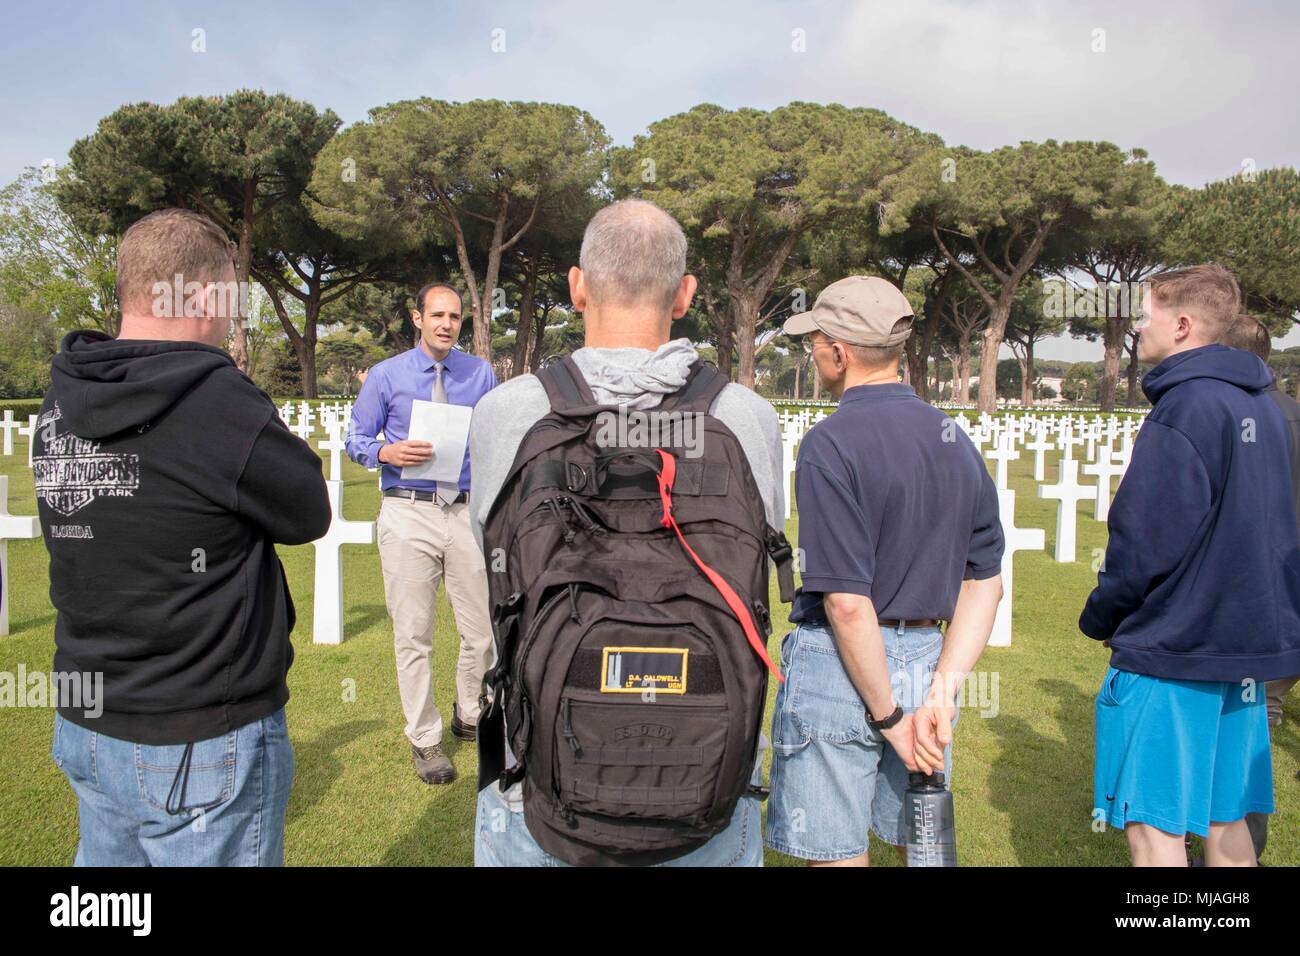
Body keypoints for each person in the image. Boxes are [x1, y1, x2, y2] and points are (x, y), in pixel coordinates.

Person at [467, 198, 785, 866]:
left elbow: (494, 559)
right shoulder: (747, 417)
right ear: (687, 294)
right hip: (707, 778)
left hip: (542, 778)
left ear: (576, 286)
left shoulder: (509, 413)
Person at [36, 208, 330, 866]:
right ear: (200, 296)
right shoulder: (216, 400)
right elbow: (308, 509)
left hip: (86, 720)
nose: (234, 318)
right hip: (197, 731)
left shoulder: (61, 398)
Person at [766, 276, 1004, 867]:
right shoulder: (956, 439)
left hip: (842, 668)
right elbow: (985, 582)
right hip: (927, 662)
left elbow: (847, 601)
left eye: (815, 342)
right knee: (924, 842)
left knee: (836, 852)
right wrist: (942, 693)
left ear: (839, 352)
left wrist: (889, 717)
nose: (813, 353)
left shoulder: (830, 442)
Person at [1080, 265, 1300, 867]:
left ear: (1181, 325)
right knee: (1227, 825)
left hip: (1175, 648)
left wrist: (1102, 615)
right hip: (1244, 650)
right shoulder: (1259, 407)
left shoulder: (1185, 408)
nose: (1136, 329)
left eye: (1145, 315)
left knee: (1155, 831)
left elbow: (1145, 542)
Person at [345, 283, 496, 784]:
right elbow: (357, 440)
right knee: (414, 634)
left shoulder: (481, 373)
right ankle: (426, 739)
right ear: (417, 318)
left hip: (465, 513)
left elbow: (493, 437)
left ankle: (470, 711)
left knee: (481, 632)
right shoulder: (387, 376)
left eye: (455, 316)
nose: (447, 324)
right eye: (437, 315)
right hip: (408, 512)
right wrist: (385, 453)